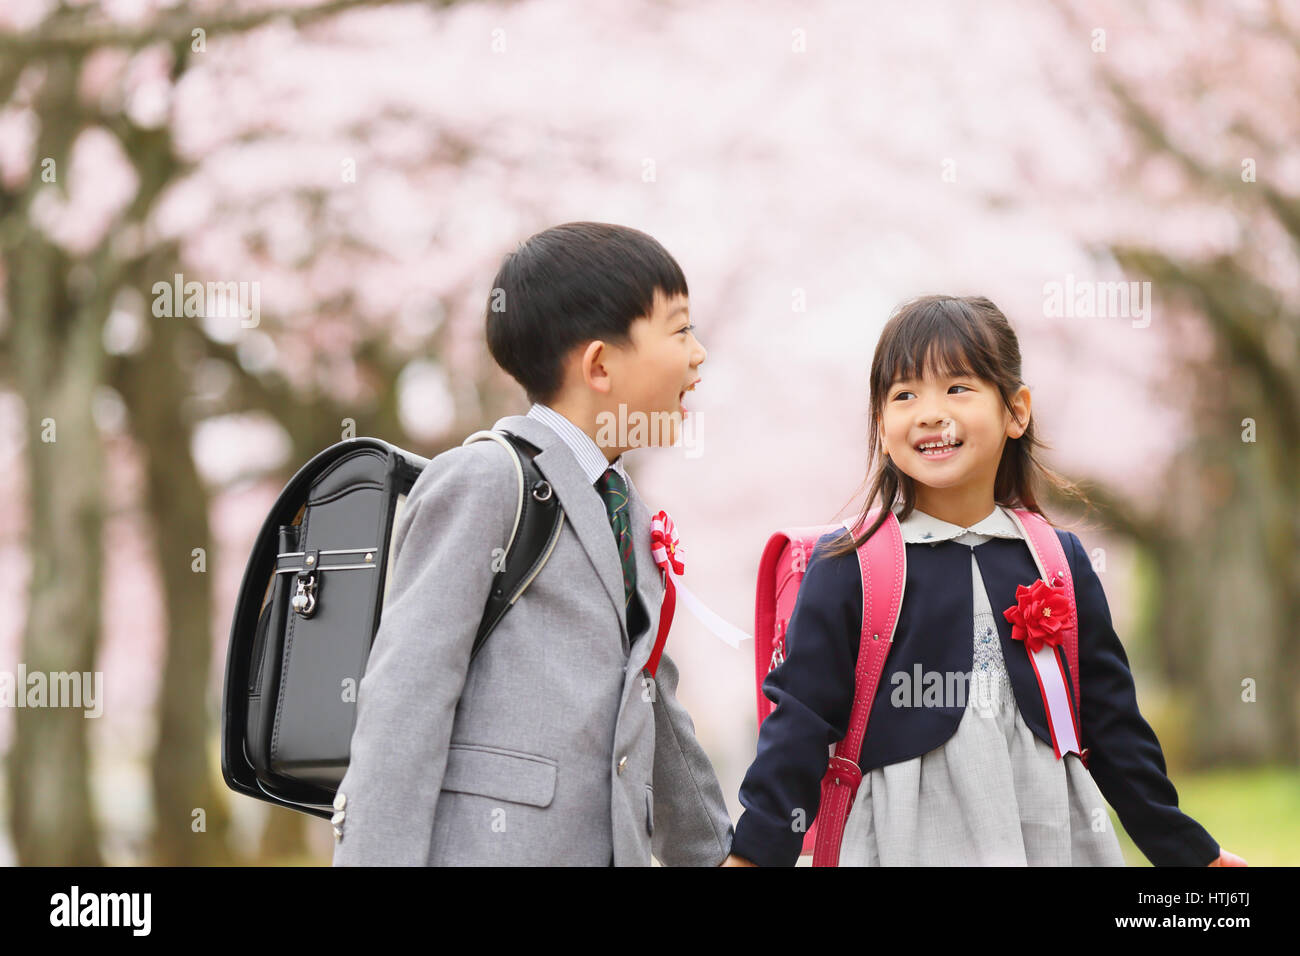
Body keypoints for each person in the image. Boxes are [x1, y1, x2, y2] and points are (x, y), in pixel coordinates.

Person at [723, 294, 1246, 867]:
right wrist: (754, 855)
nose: (929, 412)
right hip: (906, 838)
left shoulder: (1058, 560)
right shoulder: (851, 565)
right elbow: (799, 720)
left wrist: (1190, 852)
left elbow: (1113, 724)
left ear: (1016, 411)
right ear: (880, 422)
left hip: (1047, 834)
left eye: (957, 388)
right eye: (903, 395)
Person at [333, 221, 732, 865]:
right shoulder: (488, 479)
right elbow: (405, 701)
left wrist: (717, 854)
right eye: (681, 329)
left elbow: (653, 706)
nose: (699, 354)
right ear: (601, 364)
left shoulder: (628, 508)